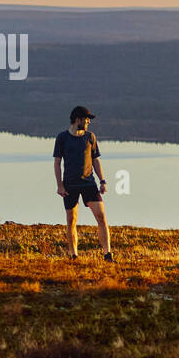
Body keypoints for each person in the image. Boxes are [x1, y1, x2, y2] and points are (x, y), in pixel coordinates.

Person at [53, 106, 113, 261]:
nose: (88, 122)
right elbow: (57, 163)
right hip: (70, 185)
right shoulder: (62, 138)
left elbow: (95, 160)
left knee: (101, 216)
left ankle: (108, 254)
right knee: (71, 220)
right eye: (86, 119)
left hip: (89, 184)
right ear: (77, 119)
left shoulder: (90, 137)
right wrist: (60, 186)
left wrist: (103, 181)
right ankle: (73, 255)